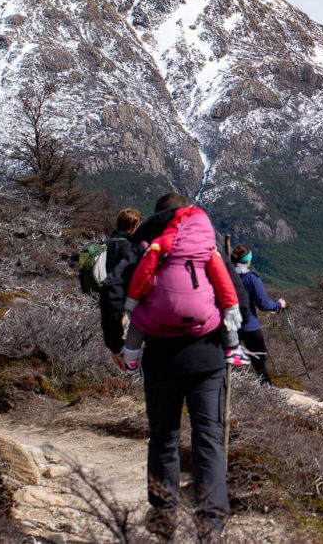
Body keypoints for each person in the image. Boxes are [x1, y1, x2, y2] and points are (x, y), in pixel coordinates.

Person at [106, 193, 239, 541]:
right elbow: (236, 290)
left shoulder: (146, 246)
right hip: (207, 355)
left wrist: (115, 344)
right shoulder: (204, 244)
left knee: (164, 436)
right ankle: (211, 518)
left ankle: (164, 513)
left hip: (161, 356)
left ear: (157, 216)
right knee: (208, 435)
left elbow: (112, 290)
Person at [119, 204, 243, 372]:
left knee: (140, 320)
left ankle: (130, 357)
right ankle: (233, 349)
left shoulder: (159, 243)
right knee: (222, 313)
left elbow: (143, 273)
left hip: (161, 312)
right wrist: (231, 308)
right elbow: (223, 283)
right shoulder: (209, 249)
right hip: (201, 314)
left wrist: (132, 302)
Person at [230, 244, 285, 385]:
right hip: (250, 326)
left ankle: (232, 389)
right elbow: (264, 304)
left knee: (227, 362)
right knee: (259, 362)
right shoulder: (251, 278)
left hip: (228, 325)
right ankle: (266, 391)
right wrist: (279, 304)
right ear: (248, 260)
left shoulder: (226, 276)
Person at [98, 208, 143, 357]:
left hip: (102, 292)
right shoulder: (128, 248)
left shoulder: (107, 242)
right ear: (134, 227)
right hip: (120, 300)